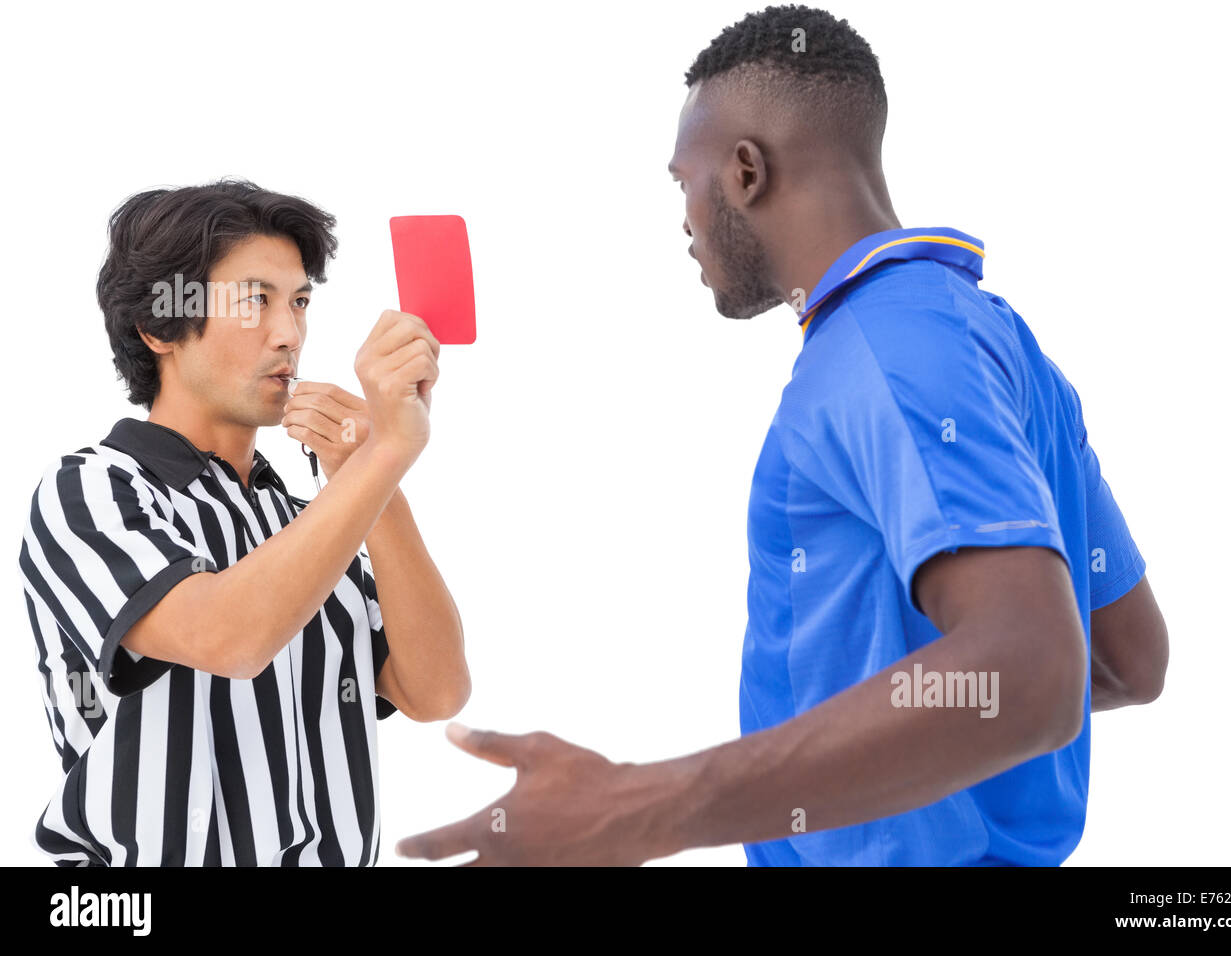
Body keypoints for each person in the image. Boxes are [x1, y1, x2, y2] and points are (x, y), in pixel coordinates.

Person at [396, 4, 1168, 866]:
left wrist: (631, 808)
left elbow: (1035, 674)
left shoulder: (886, 351)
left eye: (681, 183)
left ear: (745, 170)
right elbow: (1126, 660)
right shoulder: (993, 338)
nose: (684, 219)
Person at [18, 179, 468, 865]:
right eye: (255, 300)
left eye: (300, 302)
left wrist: (377, 484)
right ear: (157, 326)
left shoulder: (314, 522)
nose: (290, 334)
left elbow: (436, 690)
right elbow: (230, 637)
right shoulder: (89, 491)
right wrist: (386, 454)